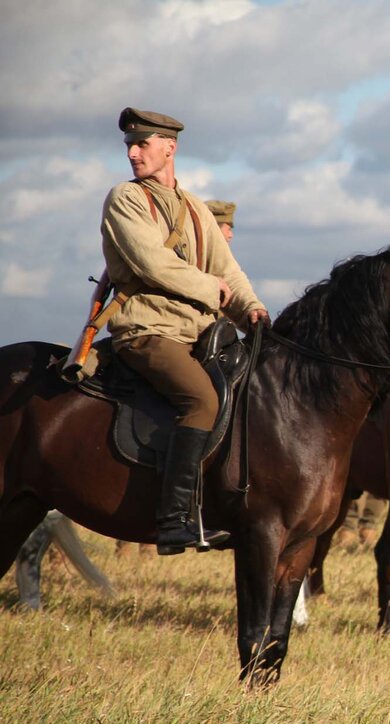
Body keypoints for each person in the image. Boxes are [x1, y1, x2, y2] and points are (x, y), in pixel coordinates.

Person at [102, 107, 269, 555]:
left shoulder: (195, 207)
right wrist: (208, 287)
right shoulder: (126, 198)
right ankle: (175, 520)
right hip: (147, 331)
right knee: (202, 400)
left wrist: (251, 309)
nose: (134, 153)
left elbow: (227, 271)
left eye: (142, 144)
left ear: (169, 148)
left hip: (197, 336)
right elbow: (152, 263)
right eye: (130, 146)